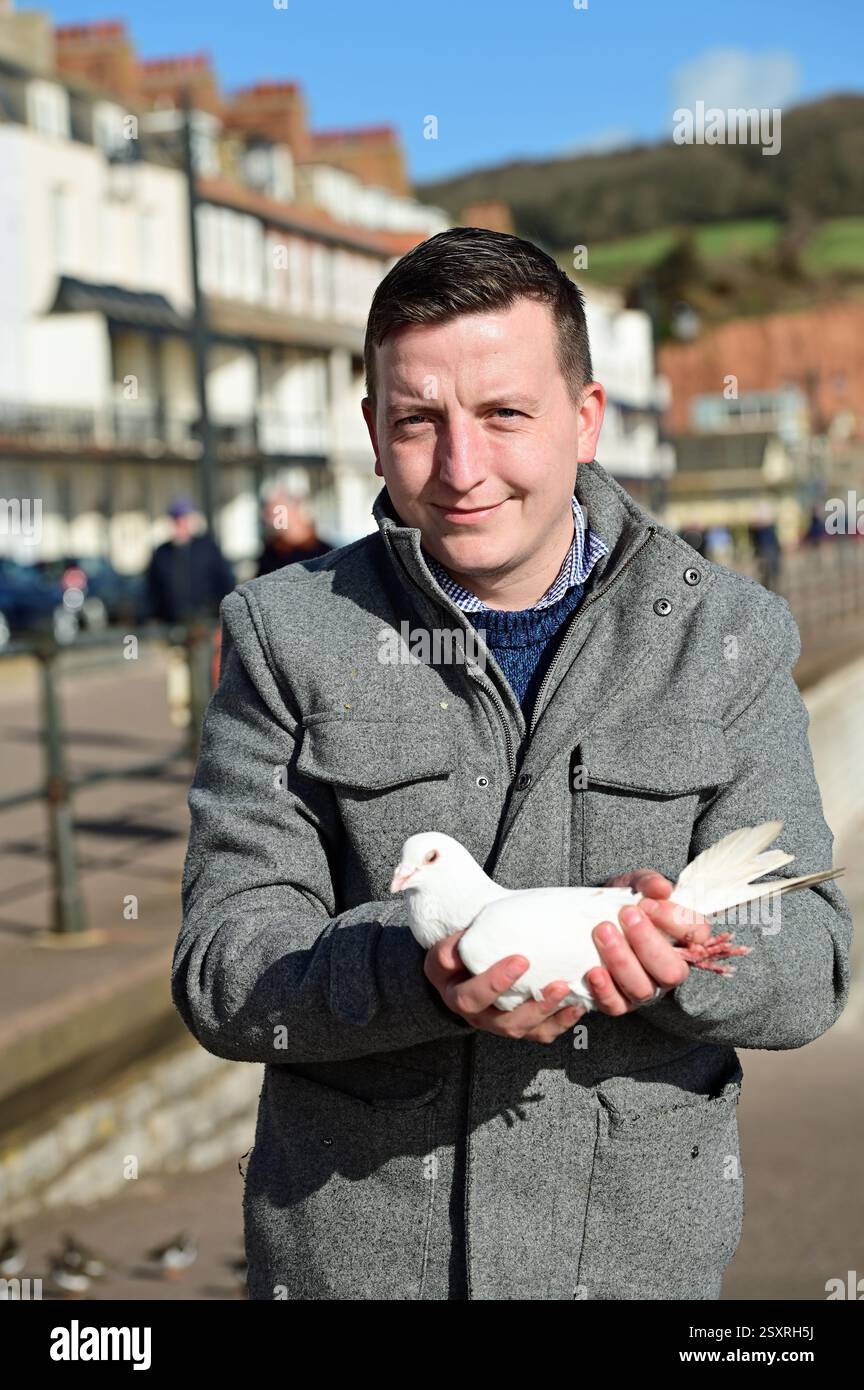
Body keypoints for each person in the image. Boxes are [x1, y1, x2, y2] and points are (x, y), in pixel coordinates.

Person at [172, 228, 852, 1301]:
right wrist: (420, 974)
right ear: (371, 430)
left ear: (586, 421)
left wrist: (684, 965)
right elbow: (224, 968)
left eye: (503, 415)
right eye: (417, 422)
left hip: (631, 1276)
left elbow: (812, 966)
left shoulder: (726, 631)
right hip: (355, 1273)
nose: (459, 468)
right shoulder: (281, 633)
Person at [145, 497, 236, 625]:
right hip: (171, 624)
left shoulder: (208, 548)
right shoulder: (161, 553)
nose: (181, 524)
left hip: (206, 622)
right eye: (176, 520)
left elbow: (225, 583)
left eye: (184, 519)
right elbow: (152, 591)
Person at [256, 493, 331, 577]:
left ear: (296, 509)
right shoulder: (270, 553)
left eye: (278, 511)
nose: (271, 519)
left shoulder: (324, 551)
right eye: (268, 513)